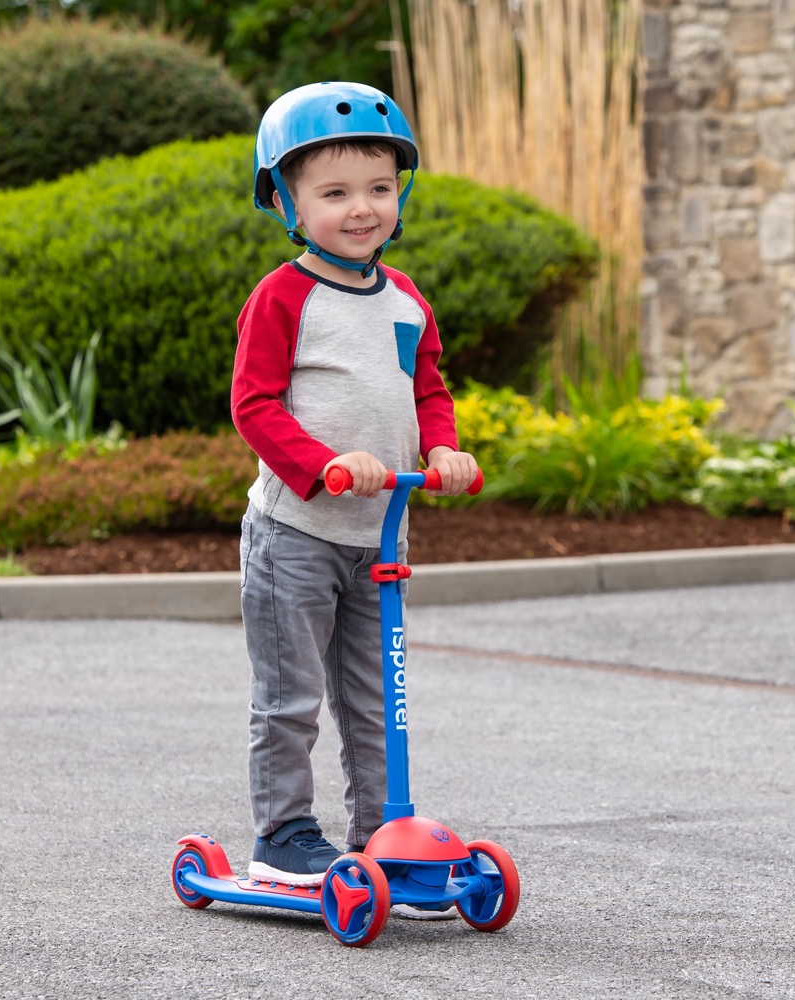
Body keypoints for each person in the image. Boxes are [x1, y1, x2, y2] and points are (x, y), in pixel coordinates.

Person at [230, 81, 478, 918]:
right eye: (334, 194)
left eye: (378, 188)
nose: (361, 209)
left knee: (379, 698)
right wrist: (325, 464)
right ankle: (283, 837)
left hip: (382, 540)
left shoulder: (406, 299)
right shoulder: (284, 297)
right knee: (291, 695)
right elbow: (254, 406)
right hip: (296, 531)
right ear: (287, 203)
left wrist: (440, 448)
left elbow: (427, 389)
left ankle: (383, 835)